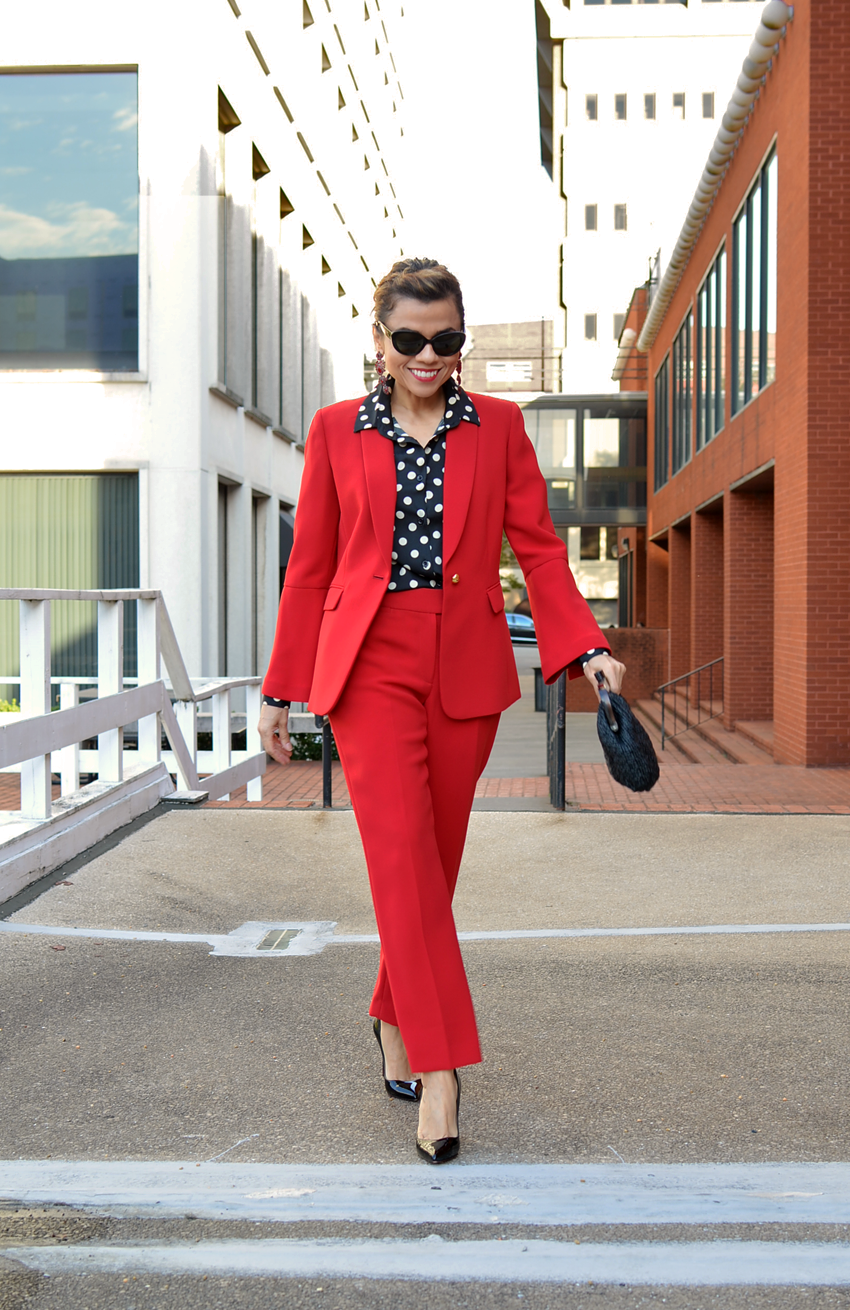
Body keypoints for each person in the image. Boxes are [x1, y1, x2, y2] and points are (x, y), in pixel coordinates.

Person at [258, 258, 625, 1164]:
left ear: (464, 341)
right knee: (399, 860)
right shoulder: (336, 430)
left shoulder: (497, 428)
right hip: (369, 660)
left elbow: (538, 551)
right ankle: (443, 1069)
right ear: (379, 342)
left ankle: (390, 1016)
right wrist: (280, 686)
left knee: (433, 864)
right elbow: (311, 566)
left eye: (447, 339)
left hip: (461, 664)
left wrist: (586, 646)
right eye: (411, 339)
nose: (429, 355)